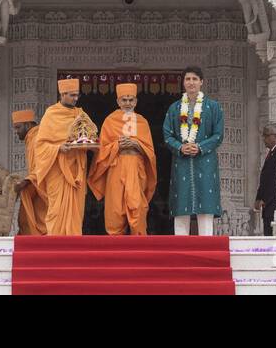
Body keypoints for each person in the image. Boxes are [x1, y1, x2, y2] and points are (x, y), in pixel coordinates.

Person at [29, 79, 96, 236]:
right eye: (72, 95)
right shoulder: (51, 114)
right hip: (57, 169)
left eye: (77, 95)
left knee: (76, 211)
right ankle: (54, 247)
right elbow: (40, 145)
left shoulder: (81, 114)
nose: (75, 99)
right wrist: (58, 148)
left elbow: (90, 135)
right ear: (62, 94)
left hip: (76, 169)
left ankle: (73, 247)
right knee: (56, 210)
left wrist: (90, 145)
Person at [89, 83, 157, 236]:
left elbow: (151, 153)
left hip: (136, 168)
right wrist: (117, 145)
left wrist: (136, 144)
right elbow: (100, 151)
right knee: (115, 211)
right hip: (116, 167)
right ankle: (115, 252)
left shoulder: (142, 122)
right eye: (124, 100)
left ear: (136, 102)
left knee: (137, 208)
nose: (127, 103)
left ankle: (139, 251)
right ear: (118, 101)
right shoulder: (110, 121)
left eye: (131, 100)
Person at [163, 67, 224, 236]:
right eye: (188, 79)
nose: (191, 82)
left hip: (205, 162)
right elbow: (167, 135)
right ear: (183, 83)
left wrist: (200, 146)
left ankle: (207, 249)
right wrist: (180, 147)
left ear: (201, 82)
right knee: (181, 208)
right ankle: (180, 251)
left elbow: (218, 135)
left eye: (195, 79)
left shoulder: (213, 107)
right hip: (182, 161)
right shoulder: (174, 108)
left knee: (205, 208)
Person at [12, 109, 47, 235]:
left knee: (31, 221)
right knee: (24, 219)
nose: (16, 132)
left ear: (27, 125)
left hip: (42, 188)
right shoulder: (31, 139)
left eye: (18, 127)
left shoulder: (37, 139)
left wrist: (26, 181)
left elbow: (43, 166)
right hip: (35, 187)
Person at [253, 123, 276, 236]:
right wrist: (258, 197)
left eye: (266, 136)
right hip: (267, 203)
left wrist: (266, 199)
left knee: (271, 234)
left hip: (273, 202)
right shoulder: (271, 153)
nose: (264, 139)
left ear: (275, 136)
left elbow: (274, 180)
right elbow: (264, 178)